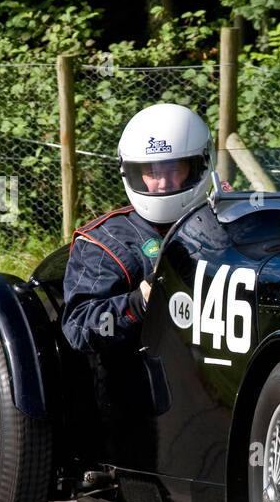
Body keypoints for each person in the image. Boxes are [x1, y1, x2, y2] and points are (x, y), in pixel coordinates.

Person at [61, 103, 214, 353]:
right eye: (152, 172)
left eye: (174, 168)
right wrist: (137, 303)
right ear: (132, 172)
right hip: (141, 378)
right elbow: (78, 327)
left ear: (198, 166)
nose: (163, 182)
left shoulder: (224, 223)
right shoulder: (104, 243)